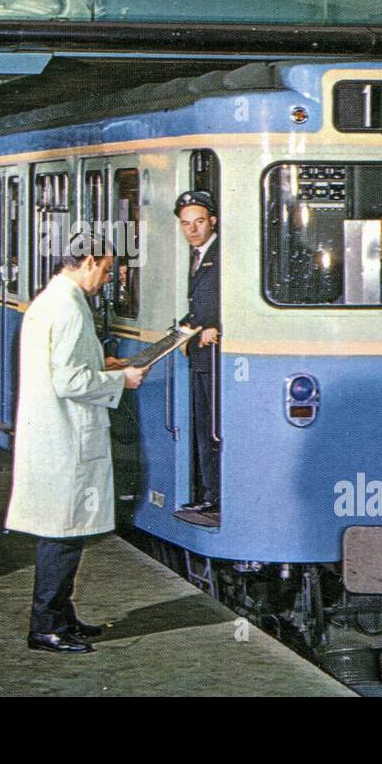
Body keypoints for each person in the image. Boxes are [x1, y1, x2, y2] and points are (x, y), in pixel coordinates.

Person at [5, 230, 147, 655]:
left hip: (57, 434)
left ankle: (62, 618)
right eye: (105, 270)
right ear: (87, 263)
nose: (107, 279)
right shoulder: (67, 308)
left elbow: (62, 364)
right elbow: (68, 381)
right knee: (62, 535)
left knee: (65, 532)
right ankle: (45, 626)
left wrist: (102, 364)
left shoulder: (53, 301)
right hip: (64, 437)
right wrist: (119, 379)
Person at [174, 190, 222, 518]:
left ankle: (212, 495)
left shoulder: (221, 255)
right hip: (202, 359)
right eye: (186, 224)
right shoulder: (197, 254)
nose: (192, 229)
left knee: (211, 429)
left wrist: (213, 325)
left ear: (212, 221)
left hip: (215, 360)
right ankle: (209, 492)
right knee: (204, 428)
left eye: (199, 222)